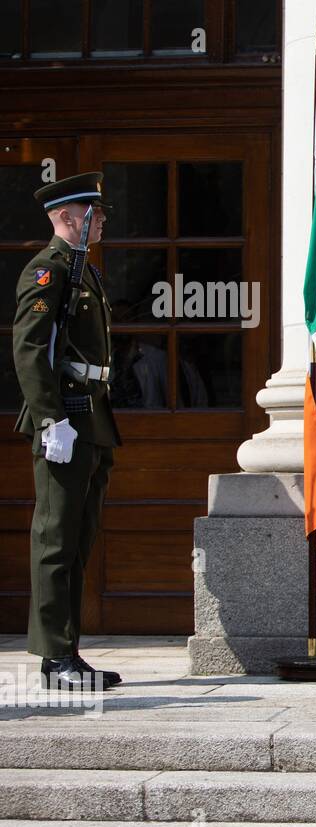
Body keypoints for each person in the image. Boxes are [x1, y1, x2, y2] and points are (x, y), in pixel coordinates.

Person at [12, 171, 122, 691]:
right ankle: (55, 658)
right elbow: (31, 351)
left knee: (78, 540)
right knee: (55, 539)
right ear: (67, 218)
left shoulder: (85, 272)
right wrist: (50, 418)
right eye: (93, 213)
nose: (101, 220)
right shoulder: (47, 272)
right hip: (65, 420)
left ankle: (68, 651)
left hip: (91, 417)